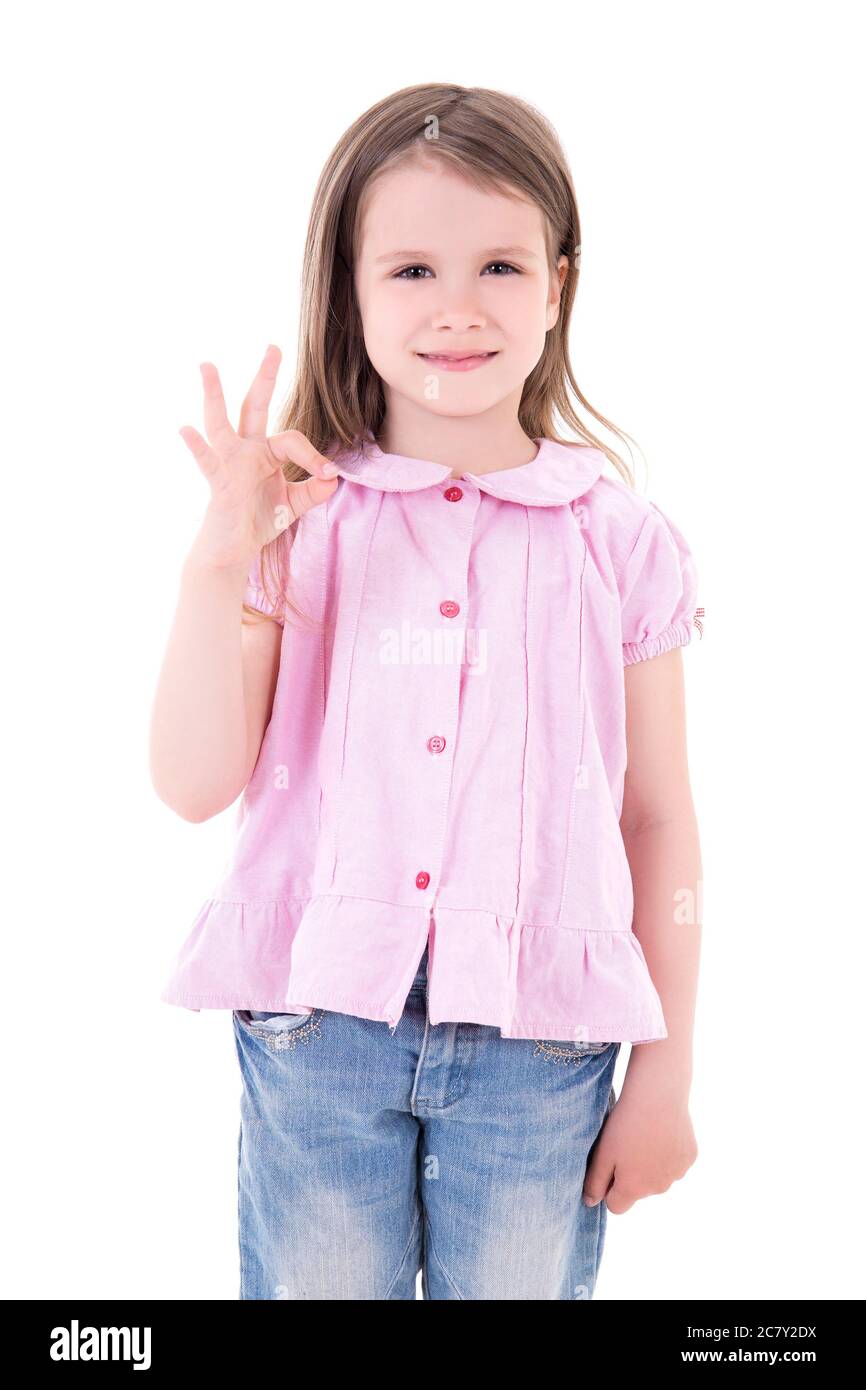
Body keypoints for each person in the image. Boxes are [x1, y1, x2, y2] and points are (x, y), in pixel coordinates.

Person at [150, 82, 703, 1301]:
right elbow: (193, 784)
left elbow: (655, 816)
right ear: (347, 292)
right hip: (318, 1028)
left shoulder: (619, 543)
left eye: (499, 264)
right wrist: (217, 561)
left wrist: (664, 1076)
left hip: (540, 1045)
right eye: (409, 271)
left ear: (557, 284)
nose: (456, 307)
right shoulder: (297, 523)